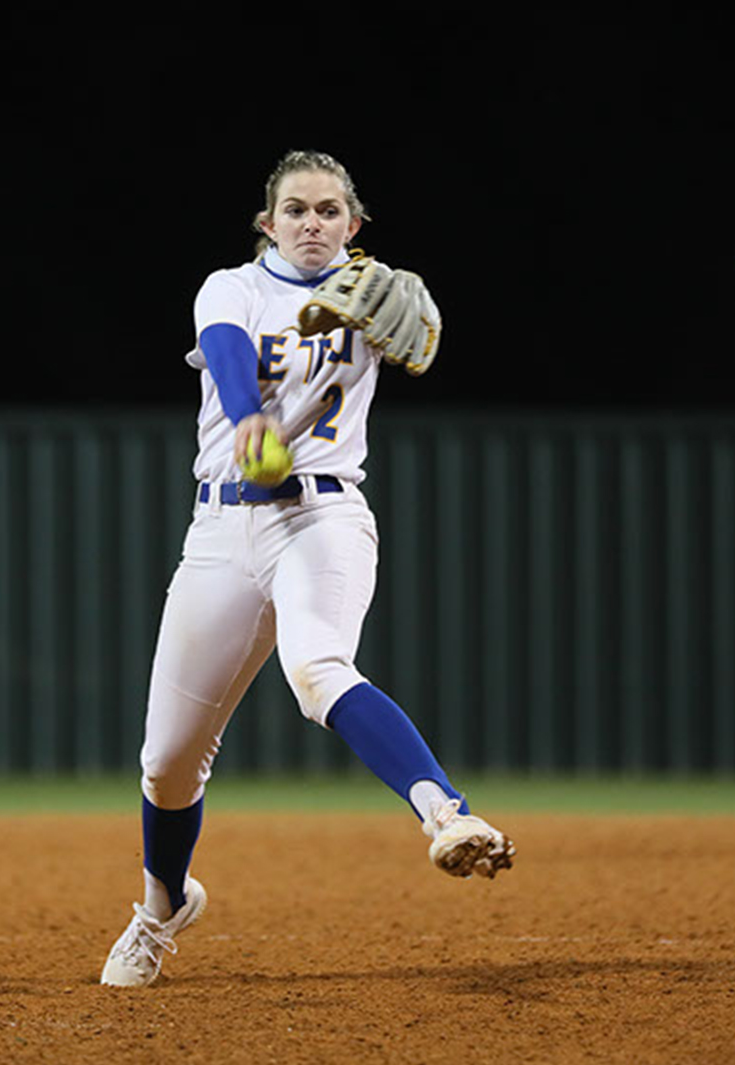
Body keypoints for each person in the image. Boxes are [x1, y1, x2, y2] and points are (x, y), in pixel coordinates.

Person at [98, 150, 514, 988]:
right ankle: (161, 906)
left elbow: (419, 339)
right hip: (220, 528)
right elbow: (222, 348)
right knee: (167, 762)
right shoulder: (231, 287)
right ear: (268, 223)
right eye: (296, 210)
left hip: (320, 516)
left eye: (330, 211)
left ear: (354, 225)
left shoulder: (371, 296)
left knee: (317, 665)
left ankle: (447, 816)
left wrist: (389, 323)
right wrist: (250, 419)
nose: (312, 223)